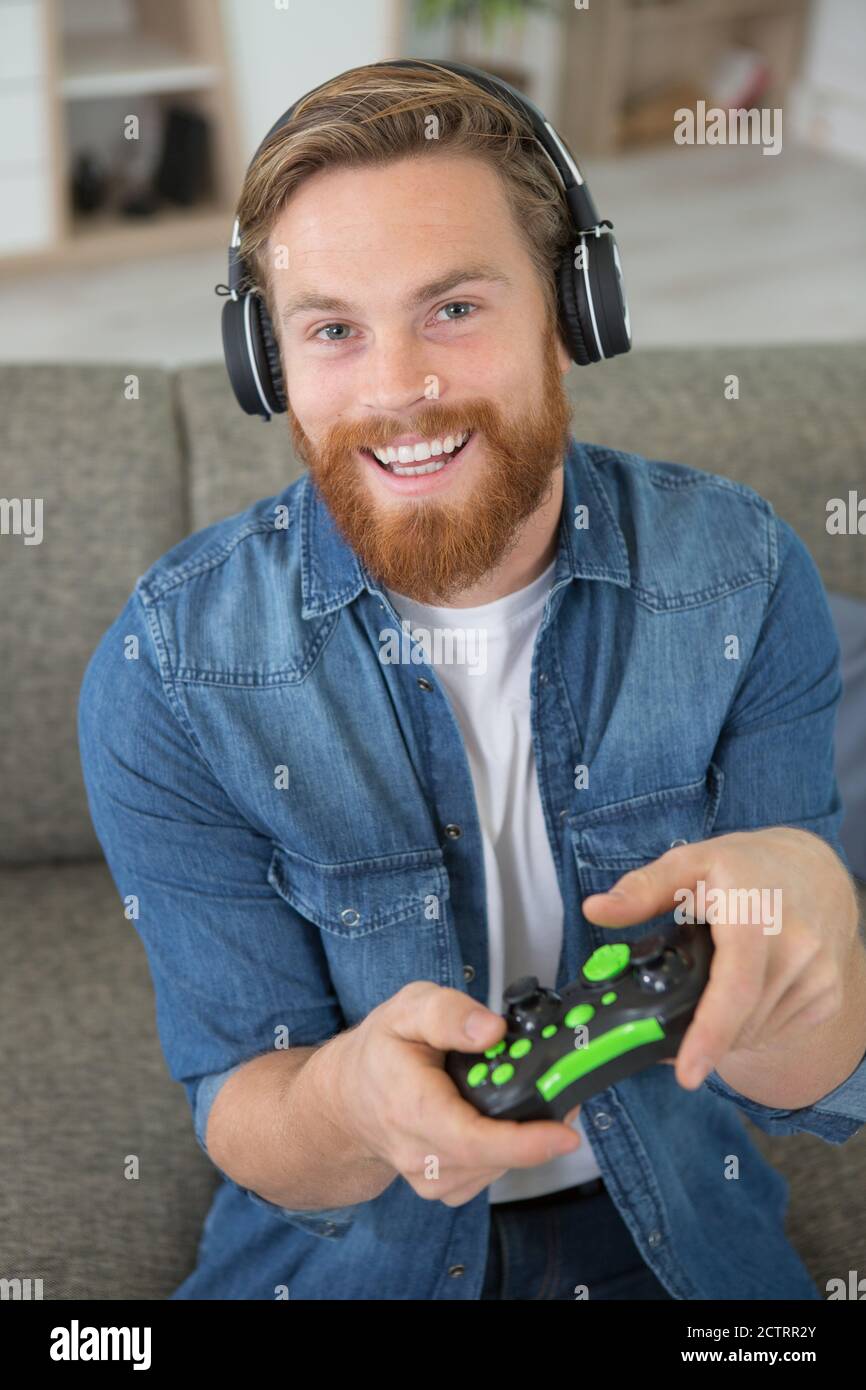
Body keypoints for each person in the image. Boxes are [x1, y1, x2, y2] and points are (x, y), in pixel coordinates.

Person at [78, 61, 866, 1301]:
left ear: (573, 307)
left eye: (451, 307)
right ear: (267, 364)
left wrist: (819, 936)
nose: (398, 390)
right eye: (333, 328)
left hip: (678, 1241)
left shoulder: (742, 577)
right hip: (345, 1257)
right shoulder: (169, 674)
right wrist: (345, 1101)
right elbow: (247, 1109)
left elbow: (799, 1073)